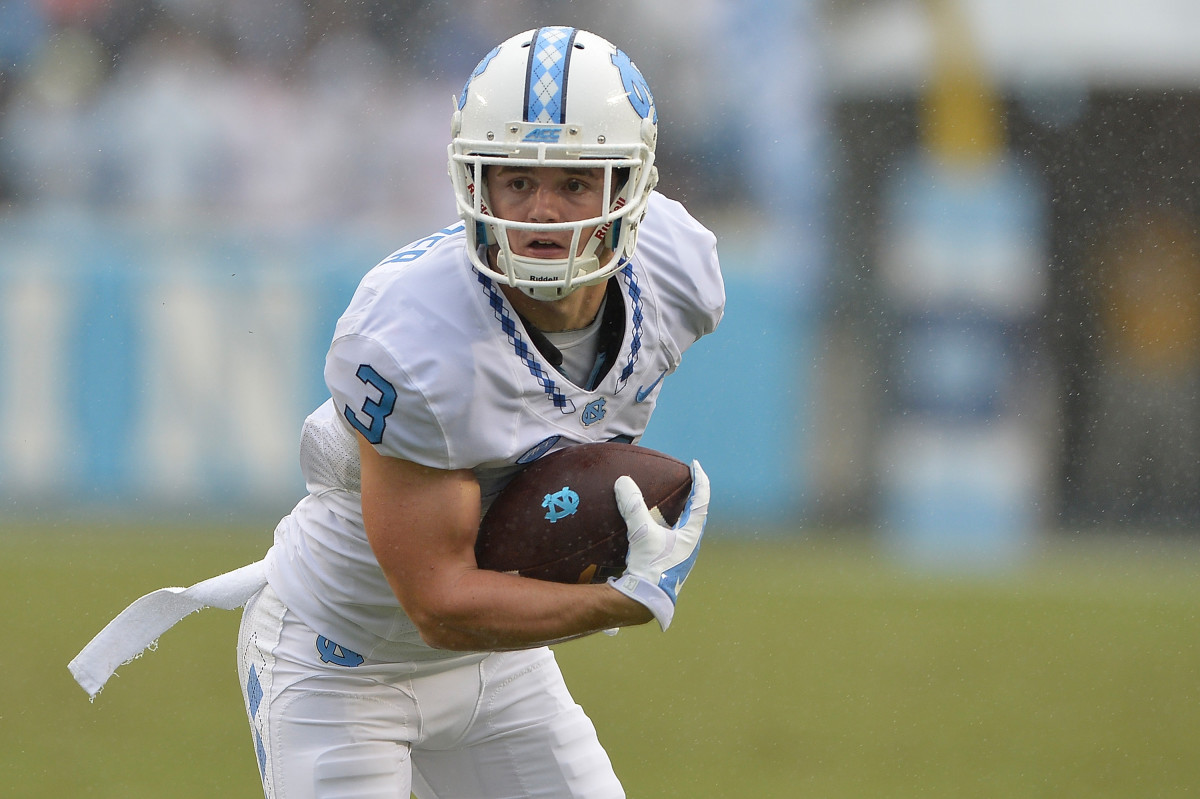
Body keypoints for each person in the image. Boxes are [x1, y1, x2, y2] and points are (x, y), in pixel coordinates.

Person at [70, 26, 723, 798]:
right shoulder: (414, 331)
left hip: (498, 668)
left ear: (628, 191)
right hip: (343, 665)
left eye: (575, 183)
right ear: (474, 182)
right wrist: (623, 598)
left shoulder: (677, 272)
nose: (543, 213)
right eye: (517, 181)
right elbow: (438, 603)